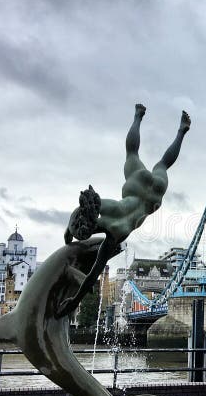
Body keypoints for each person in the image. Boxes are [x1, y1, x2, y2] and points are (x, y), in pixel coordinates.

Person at [59, 104, 190, 316]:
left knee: (162, 165)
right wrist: (68, 231)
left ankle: (181, 131)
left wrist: (73, 302)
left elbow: (93, 276)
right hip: (137, 186)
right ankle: (141, 116)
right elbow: (87, 206)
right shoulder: (106, 206)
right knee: (134, 153)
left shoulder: (114, 236)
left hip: (153, 200)